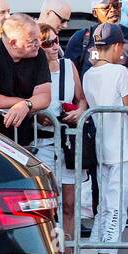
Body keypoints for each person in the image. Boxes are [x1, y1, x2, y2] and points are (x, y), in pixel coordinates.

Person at [82, 23, 128, 254]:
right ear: (116, 46)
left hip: (102, 146)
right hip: (120, 146)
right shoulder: (118, 71)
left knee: (105, 205)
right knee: (117, 207)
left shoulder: (89, 74)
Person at [33, 22, 87, 241]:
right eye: (49, 43)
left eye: (56, 40)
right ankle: (54, 252)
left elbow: (82, 99)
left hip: (67, 141)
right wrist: (38, 115)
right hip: (43, 142)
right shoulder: (34, 71)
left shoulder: (68, 65)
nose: (55, 46)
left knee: (70, 203)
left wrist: (78, 112)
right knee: (47, 204)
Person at [0, 13, 51, 146]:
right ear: (13, 43)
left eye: (39, 39)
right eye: (33, 41)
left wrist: (26, 105)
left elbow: (44, 96)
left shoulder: (38, 55)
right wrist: (22, 103)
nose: (38, 44)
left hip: (22, 137)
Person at [65, 0, 128, 77]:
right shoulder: (80, 38)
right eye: (106, 7)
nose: (113, 10)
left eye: (116, 5)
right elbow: (68, 74)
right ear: (95, 13)